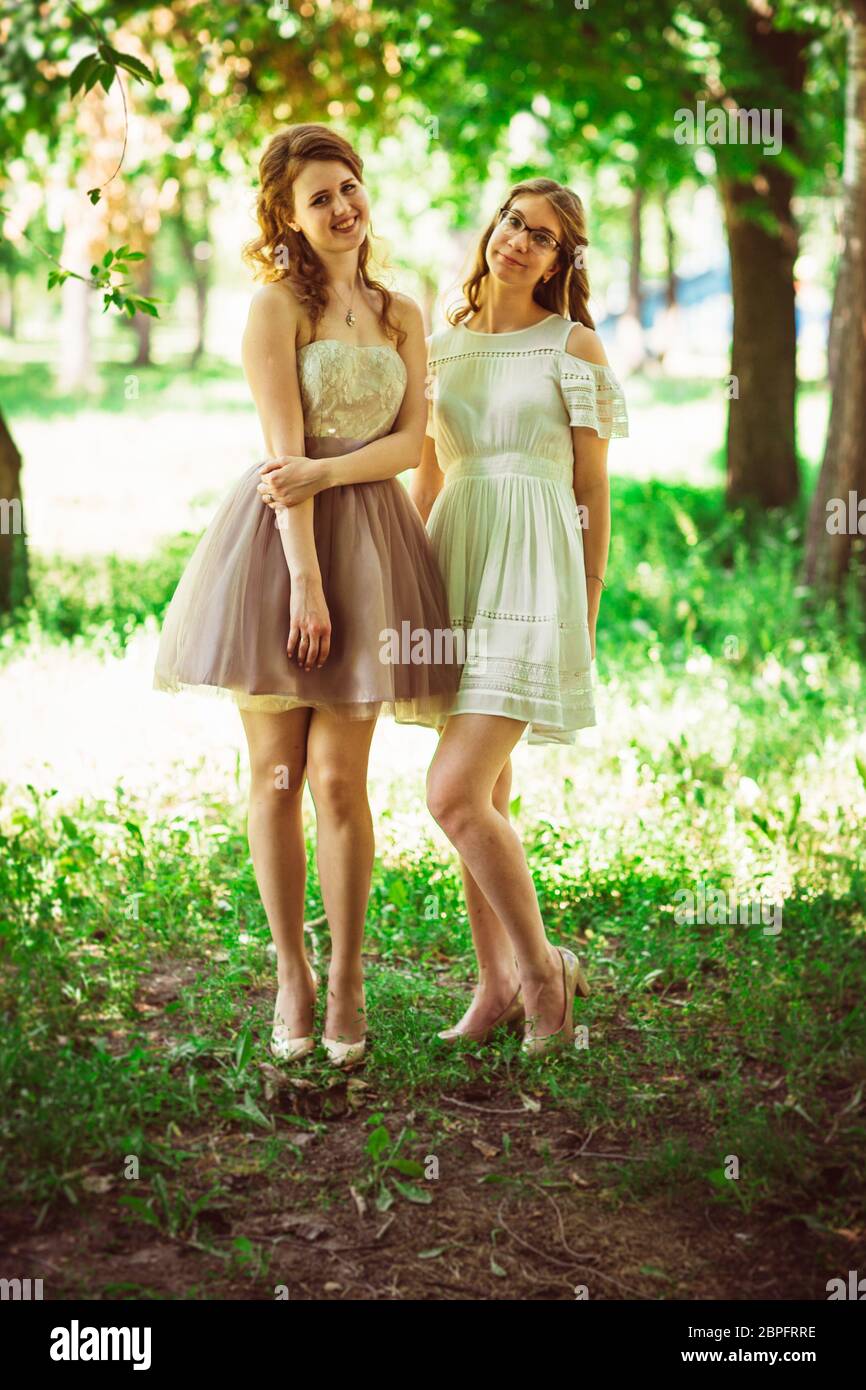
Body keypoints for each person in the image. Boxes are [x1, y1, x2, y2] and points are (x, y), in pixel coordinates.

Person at [154, 125, 459, 1069]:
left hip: (371, 542)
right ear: (287, 216)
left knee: (338, 779)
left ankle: (349, 975)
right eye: (319, 197)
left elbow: (414, 448)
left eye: (350, 187)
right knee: (275, 774)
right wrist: (306, 584)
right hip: (280, 553)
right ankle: (291, 970)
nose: (342, 207)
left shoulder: (405, 313)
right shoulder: (275, 307)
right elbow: (284, 458)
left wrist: (330, 484)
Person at [409, 178, 629, 1056]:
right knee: (488, 796)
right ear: (491, 228)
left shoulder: (573, 346)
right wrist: (411, 594)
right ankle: (495, 983)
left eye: (542, 237)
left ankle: (546, 978)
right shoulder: (442, 347)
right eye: (512, 223)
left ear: (560, 260)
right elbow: (426, 480)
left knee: (454, 795)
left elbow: (592, 489)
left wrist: (586, 601)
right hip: (456, 566)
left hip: (537, 575)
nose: (519, 242)